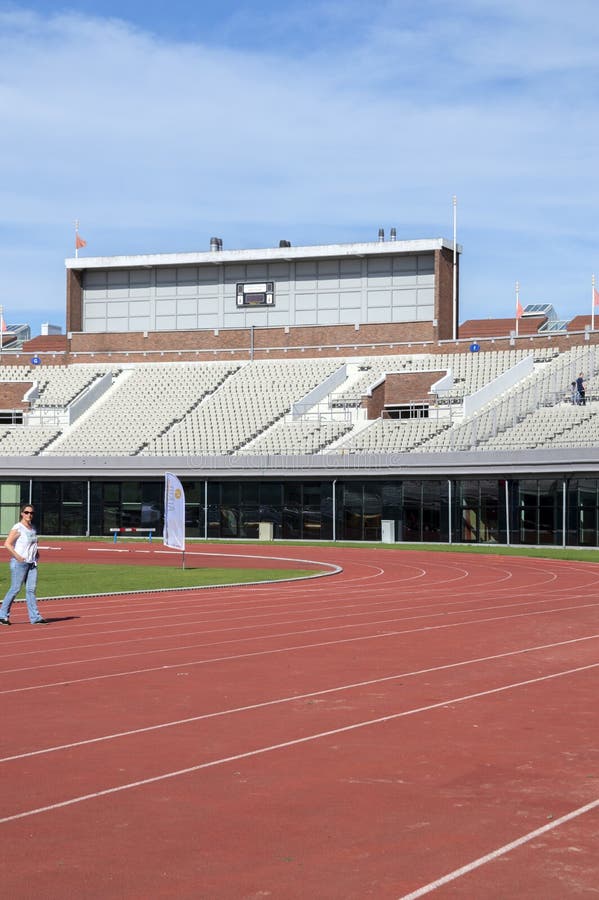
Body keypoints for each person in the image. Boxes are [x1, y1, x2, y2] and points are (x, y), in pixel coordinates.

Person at [0, 505, 47, 625]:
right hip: (20, 563)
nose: (29, 515)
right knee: (15, 589)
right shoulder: (18, 527)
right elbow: (7, 544)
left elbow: (33, 543)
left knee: (31, 590)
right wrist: (18, 557)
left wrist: (37, 554)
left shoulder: (32, 528)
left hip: (32, 564)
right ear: (22, 513)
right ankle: (2, 615)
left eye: (31, 513)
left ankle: (35, 617)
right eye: (26, 512)